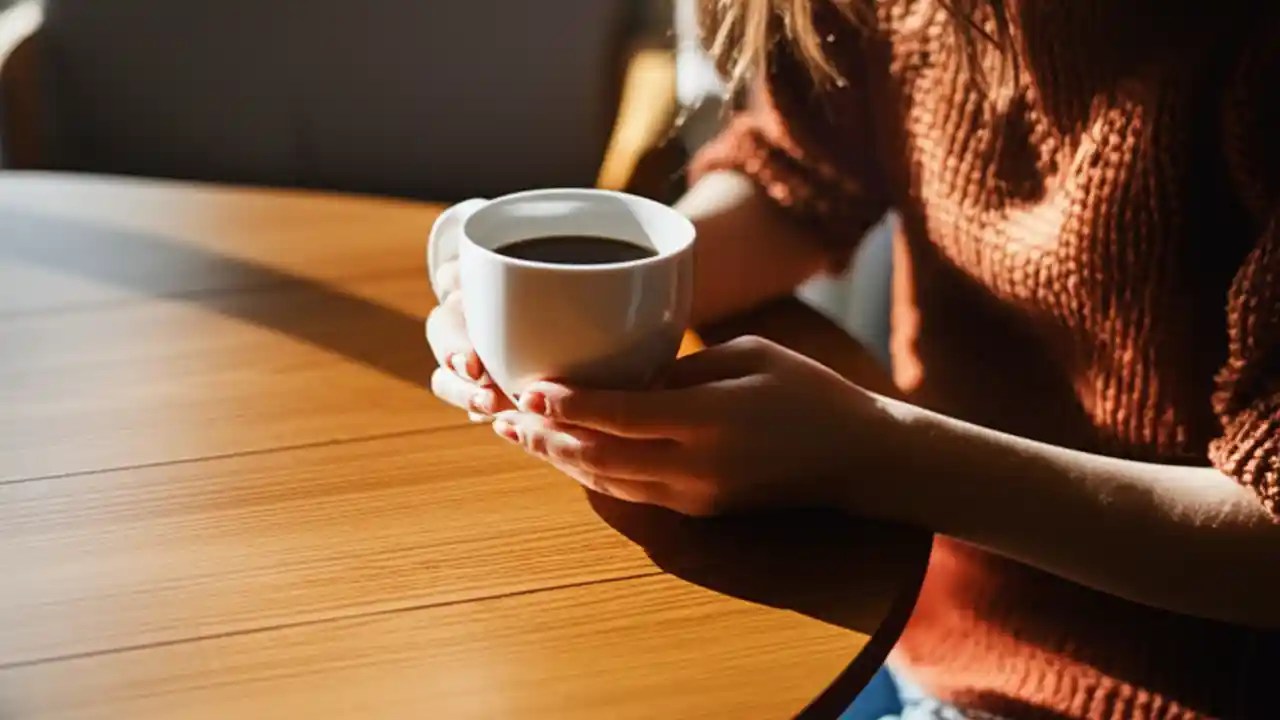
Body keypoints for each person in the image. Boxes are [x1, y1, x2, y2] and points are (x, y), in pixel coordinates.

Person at [427, 0, 1280, 717]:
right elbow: (798, 181)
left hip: (1149, 689)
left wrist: (868, 457)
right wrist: (557, 306)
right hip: (907, 610)